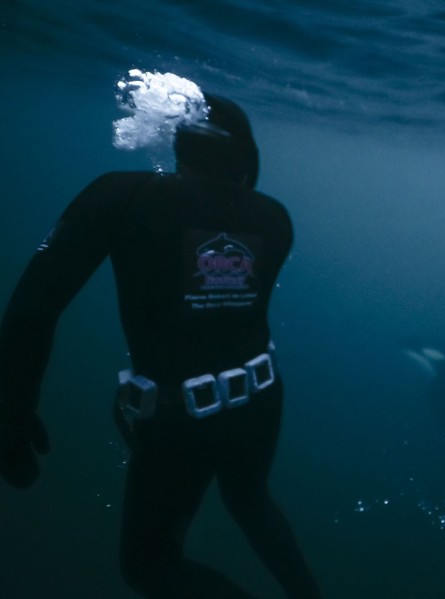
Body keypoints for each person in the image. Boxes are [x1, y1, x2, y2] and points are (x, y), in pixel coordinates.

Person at [0, 93, 322, 598]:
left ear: (179, 141)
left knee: (150, 564)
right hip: (261, 400)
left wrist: (12, 408)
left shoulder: (122, 196)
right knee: (250, 498)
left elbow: (33, 310)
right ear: (245, 157)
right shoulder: (274, 218)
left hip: (180, 417)